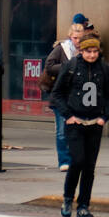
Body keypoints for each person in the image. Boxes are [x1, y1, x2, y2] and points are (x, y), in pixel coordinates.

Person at [51, 31, 109, 217]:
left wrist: (105, 116)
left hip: (95, 123)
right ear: (81, 50)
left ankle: (84, 205)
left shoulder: (103, 68)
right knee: (77, 161)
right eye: (88, 51)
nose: (92, 55)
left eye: (95, 51)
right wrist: (68, 116)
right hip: (75, 123)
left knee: (89, 167)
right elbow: (56, 94)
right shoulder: (71, 67)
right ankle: (68, 198)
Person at [43, 15, 87, 172]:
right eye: (75, 38)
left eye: (80, 38)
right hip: (61, 97)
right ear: (70, 37)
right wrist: (67, 67)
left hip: (79, 97)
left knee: (78, 130)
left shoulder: (87, 51)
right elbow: (49, 65)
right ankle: (64, 160)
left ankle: (76, 159)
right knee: (62, 130)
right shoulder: (62, 49)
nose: (77, 41)